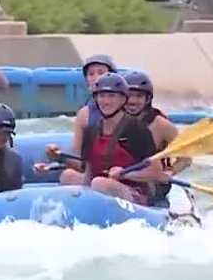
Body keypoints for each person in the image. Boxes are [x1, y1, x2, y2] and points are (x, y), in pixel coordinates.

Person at [37, 73, 165, 205]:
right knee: (68, 176)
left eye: (112, 96)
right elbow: (88, 172)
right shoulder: (91, 130)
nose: (106, 101)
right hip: (98, 185)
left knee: (100, 184)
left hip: (134, 192)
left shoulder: (136, 129)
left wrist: (125, 175)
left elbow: (157, 172)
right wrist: (56, 159)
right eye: (102, 96)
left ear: (123, 99)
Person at [123, 69, 192, 204]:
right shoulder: (114, 120)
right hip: (123, 176)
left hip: (152, 183)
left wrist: (170, 172)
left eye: (138, 96)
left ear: (147, 99)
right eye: (129, 95)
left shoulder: (161, 125)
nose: (132, 101)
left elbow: (186, 158)